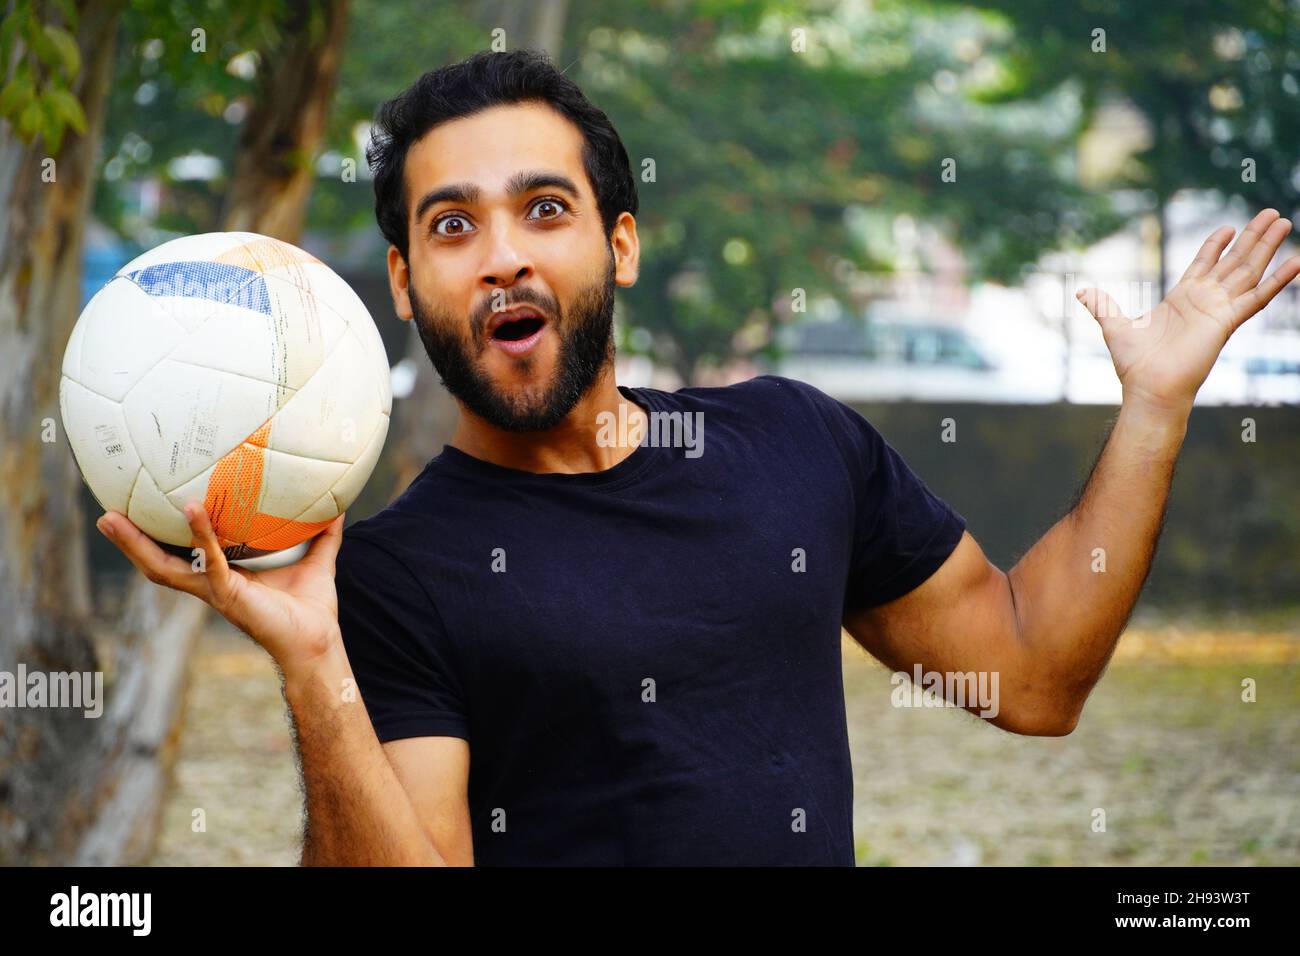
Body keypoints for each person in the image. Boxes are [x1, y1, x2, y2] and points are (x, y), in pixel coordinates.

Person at [97, 49, 1300, 866]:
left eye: (546, 209)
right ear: (407, 283)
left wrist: (1152, 405)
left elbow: (1033, 675)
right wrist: (312, 662)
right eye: (452, 224)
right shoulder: (392, 573)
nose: (503, 255)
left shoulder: (795, 442)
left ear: (620, 244)